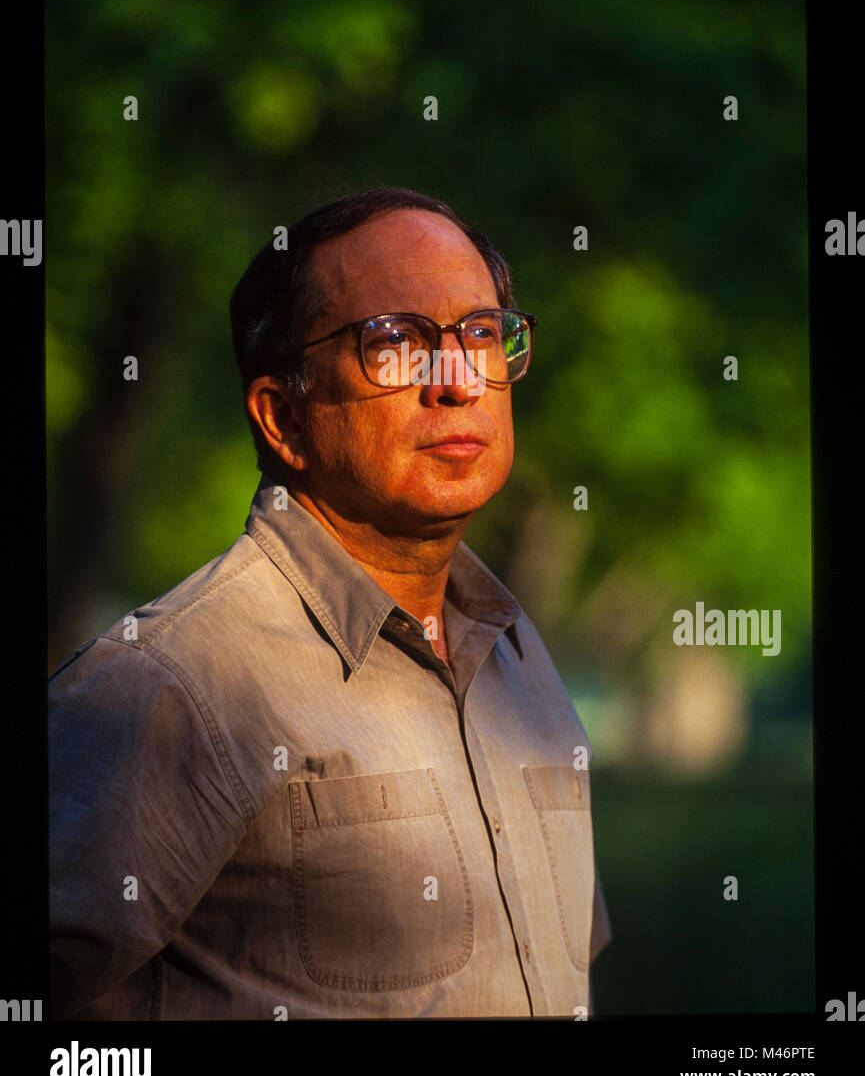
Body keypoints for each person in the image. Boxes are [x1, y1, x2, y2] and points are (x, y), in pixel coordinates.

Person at [49, 185, 612, 1020]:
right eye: (394, 344)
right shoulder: (171, 682)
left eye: (481, 334)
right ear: (282, 418)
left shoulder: (515, 651)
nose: (456, 382)